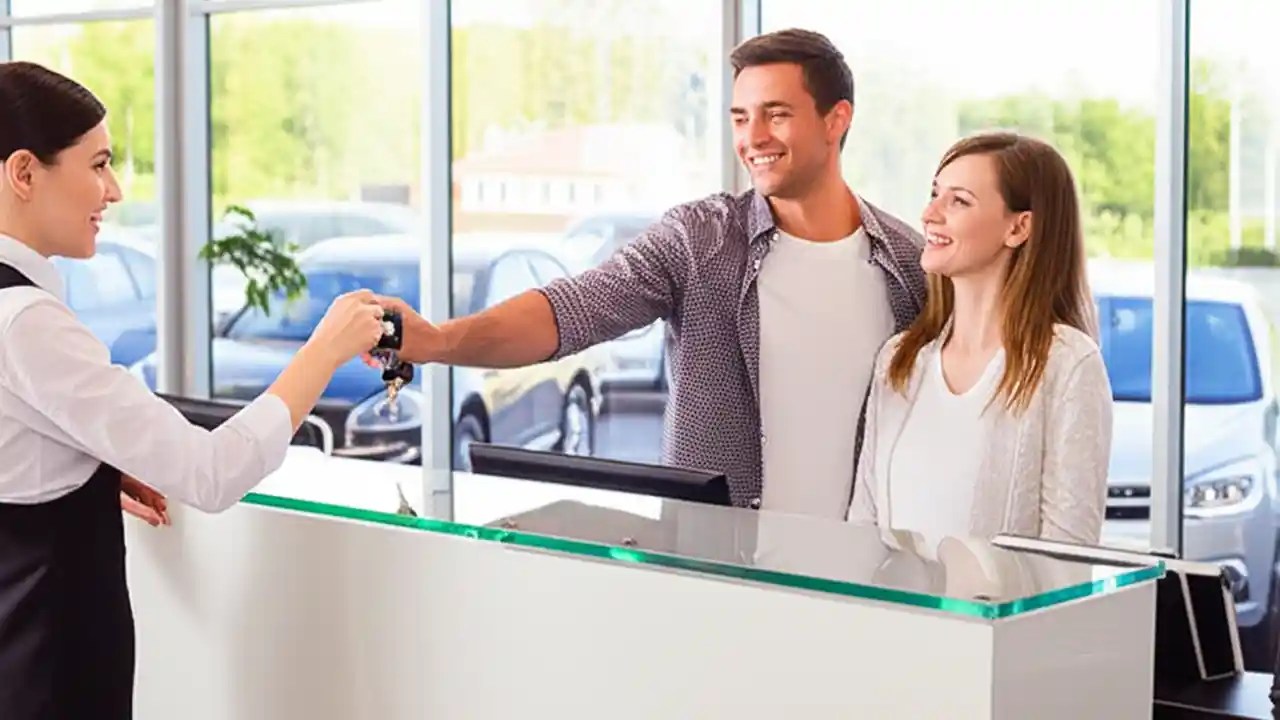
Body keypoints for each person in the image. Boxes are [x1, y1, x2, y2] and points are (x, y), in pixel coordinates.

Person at [372, 28, 927, 518]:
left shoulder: (911, 268)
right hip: (717, 578)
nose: (753, 137)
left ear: (838, 119)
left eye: (776, 114)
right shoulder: (701, 240)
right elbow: (575, 309)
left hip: (863, 588)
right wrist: (438, 340)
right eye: (740, 117)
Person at [0, 61, 388, 719]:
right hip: (51, 679)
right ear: (25, 173)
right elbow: (210, 474)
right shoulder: (27, 322)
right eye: (98, 164)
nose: (115, 190)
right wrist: (324, 352)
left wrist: (82, 462)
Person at [846, 131, 1113, 544]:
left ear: (1019, 227)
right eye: (934, 194)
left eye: (959, 200)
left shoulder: (1067, 364)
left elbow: (1068, 559)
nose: (930, 214)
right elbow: (862, 530)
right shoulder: (899, 360)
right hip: (892, 611)